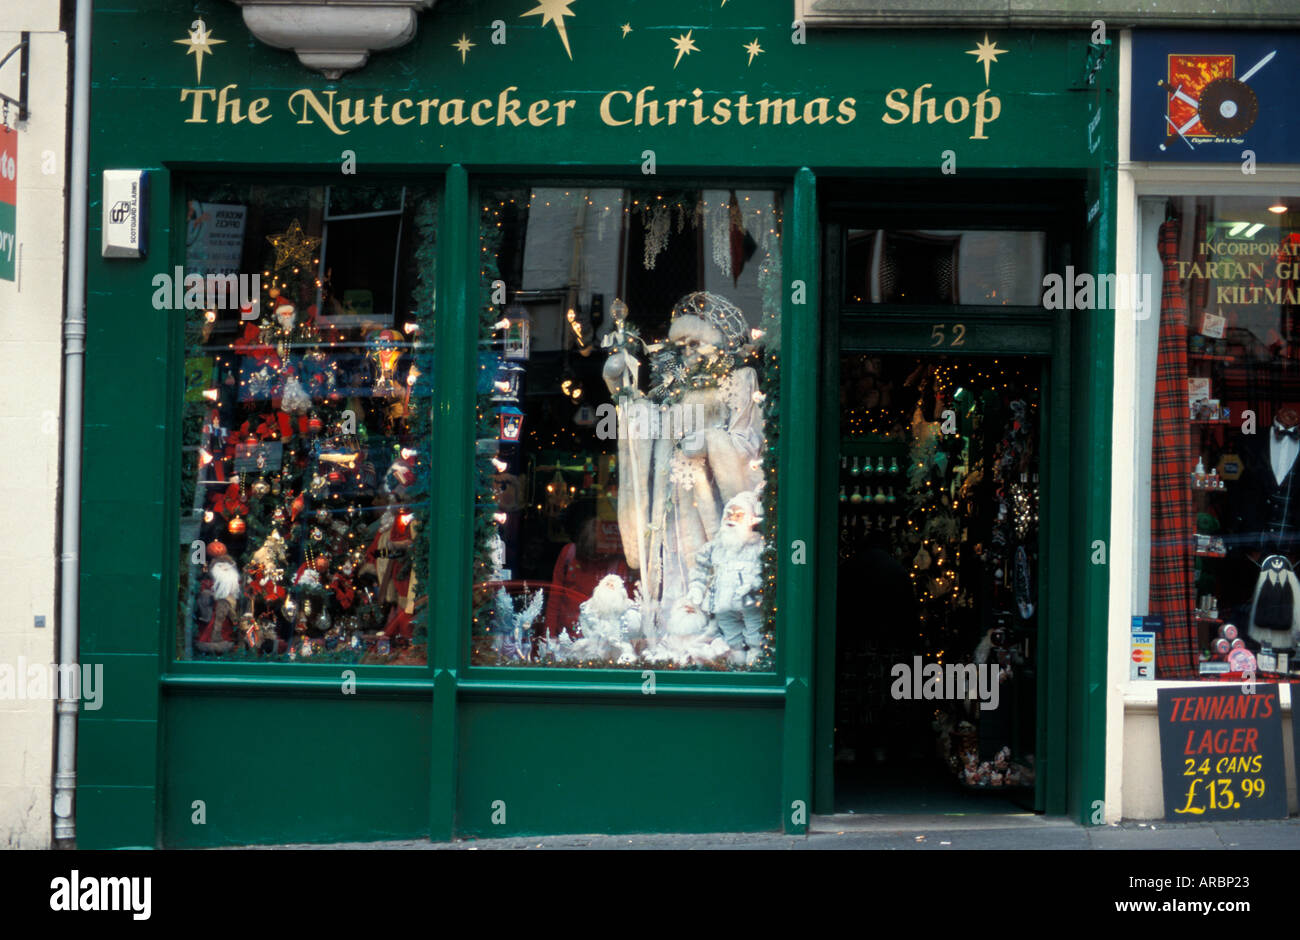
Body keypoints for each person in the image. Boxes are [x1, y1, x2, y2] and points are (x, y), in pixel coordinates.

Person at [602, 291, 766, 641]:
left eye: (695, 343)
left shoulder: (738, 381)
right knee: (671, 569)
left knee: (706, 573)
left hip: (708, 503)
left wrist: (710, 441)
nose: (688, 352)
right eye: (681, 346)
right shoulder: (672, 388)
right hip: (670, 501)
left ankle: (710, 637)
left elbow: (749, 444)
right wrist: (624, 392)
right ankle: (670, 636)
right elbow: (646, 424)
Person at [543, 504, 630, 638]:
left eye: (597, 555)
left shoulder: (618, 564)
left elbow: (626, 608)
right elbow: (555, 597)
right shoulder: (568, 554)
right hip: (566, 636)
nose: (591, 561)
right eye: (587, 555)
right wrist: (549, 637)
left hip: (600, 640)